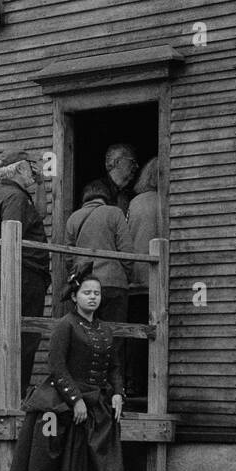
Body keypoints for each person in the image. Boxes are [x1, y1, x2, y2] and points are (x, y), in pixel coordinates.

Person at [3, 273, 129, 471]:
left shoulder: (105, 330)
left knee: (98, 448)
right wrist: (76, 401)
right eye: (87, 293)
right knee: (50, 440)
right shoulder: (66, 325)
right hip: (63, 394)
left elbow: (115, 367)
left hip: (97, 398)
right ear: (74, 297)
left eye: (97, 293)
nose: (93, 297)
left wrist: (117, 393)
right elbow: (57, 367)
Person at [0, 149, 50, 400]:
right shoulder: (14, 198)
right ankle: (9, 395)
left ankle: (5, 394)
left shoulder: (13, 194)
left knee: (21, 334)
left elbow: (41, 215)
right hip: (22, 273)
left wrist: (41, 185)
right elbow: (11, 236)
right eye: (31, 168)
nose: (33, 172)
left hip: (22, 273)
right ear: (20, 169)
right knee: (25, 335)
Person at [64, 180, 135, 323]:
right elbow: (126, 251)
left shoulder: (73, 218)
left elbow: (68, 257)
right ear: (106, 197)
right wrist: (125, 276)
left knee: (86, 336)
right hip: (113, 284)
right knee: (114, 335)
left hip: (84, 284)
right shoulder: (115, 213)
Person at [126, 158, 161, 398]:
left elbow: (126, 236)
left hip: (136, 276)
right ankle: (153, 386)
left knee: (136, 334)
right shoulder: (165, 202)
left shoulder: (136, 202)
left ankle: (132, 384)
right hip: (159, 278)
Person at [87, 143, 140, 216]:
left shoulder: (128, 193)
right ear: (117, 162)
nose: (137, 166)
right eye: (132, 161)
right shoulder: (95, 190)